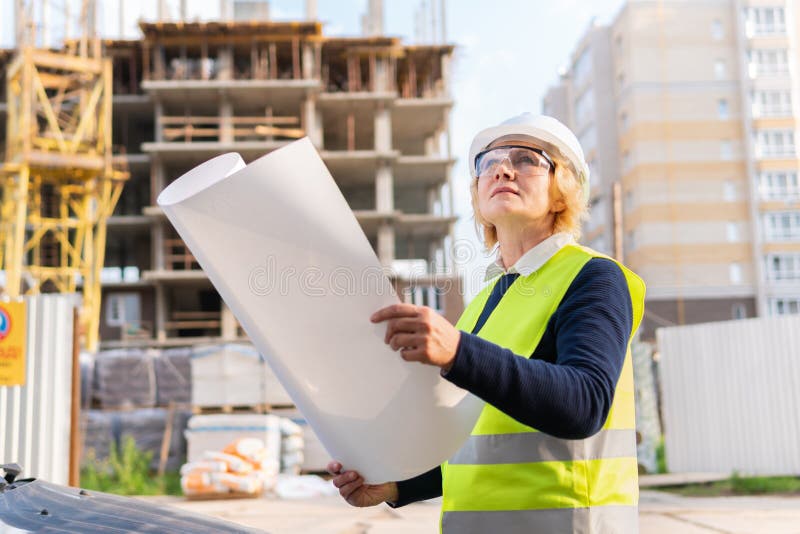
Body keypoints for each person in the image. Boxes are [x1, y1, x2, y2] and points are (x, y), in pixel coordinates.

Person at [327, 113, 645, 533]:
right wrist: (394, 487)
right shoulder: (483, 304)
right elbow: (477, 446)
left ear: (561, 192)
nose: (502, 168)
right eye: (488, 162)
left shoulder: (593, 278)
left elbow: (584, 404)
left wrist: (458, 351)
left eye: (527, 158)